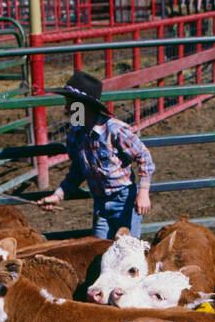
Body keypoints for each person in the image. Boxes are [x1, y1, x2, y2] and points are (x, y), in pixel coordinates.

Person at [37, 70, 154, 238]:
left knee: (128, 252)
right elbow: (78, 170)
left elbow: (144, 157)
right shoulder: (76, 134)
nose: (66, 109)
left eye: (70, 104)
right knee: (100, 248)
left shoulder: (114, 130)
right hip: (100, 204)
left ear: (83, 107)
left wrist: (143, 192)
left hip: (125, 201)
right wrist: (58, 195)